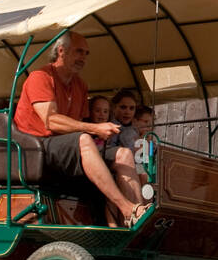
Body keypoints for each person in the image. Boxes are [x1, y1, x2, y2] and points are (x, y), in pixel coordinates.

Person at [13, 32, 146, 227]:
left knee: (124, 154)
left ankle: (137, 216)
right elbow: (51, 121)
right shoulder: (40, 77)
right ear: (61, 51)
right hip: (36, 146)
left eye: (86, 54)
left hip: (66, 146)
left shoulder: (80, 85)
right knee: (84, 139)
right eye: (79, 52)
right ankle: (125, 207)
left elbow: (81, 120)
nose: (83, 58)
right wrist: (95, 128)